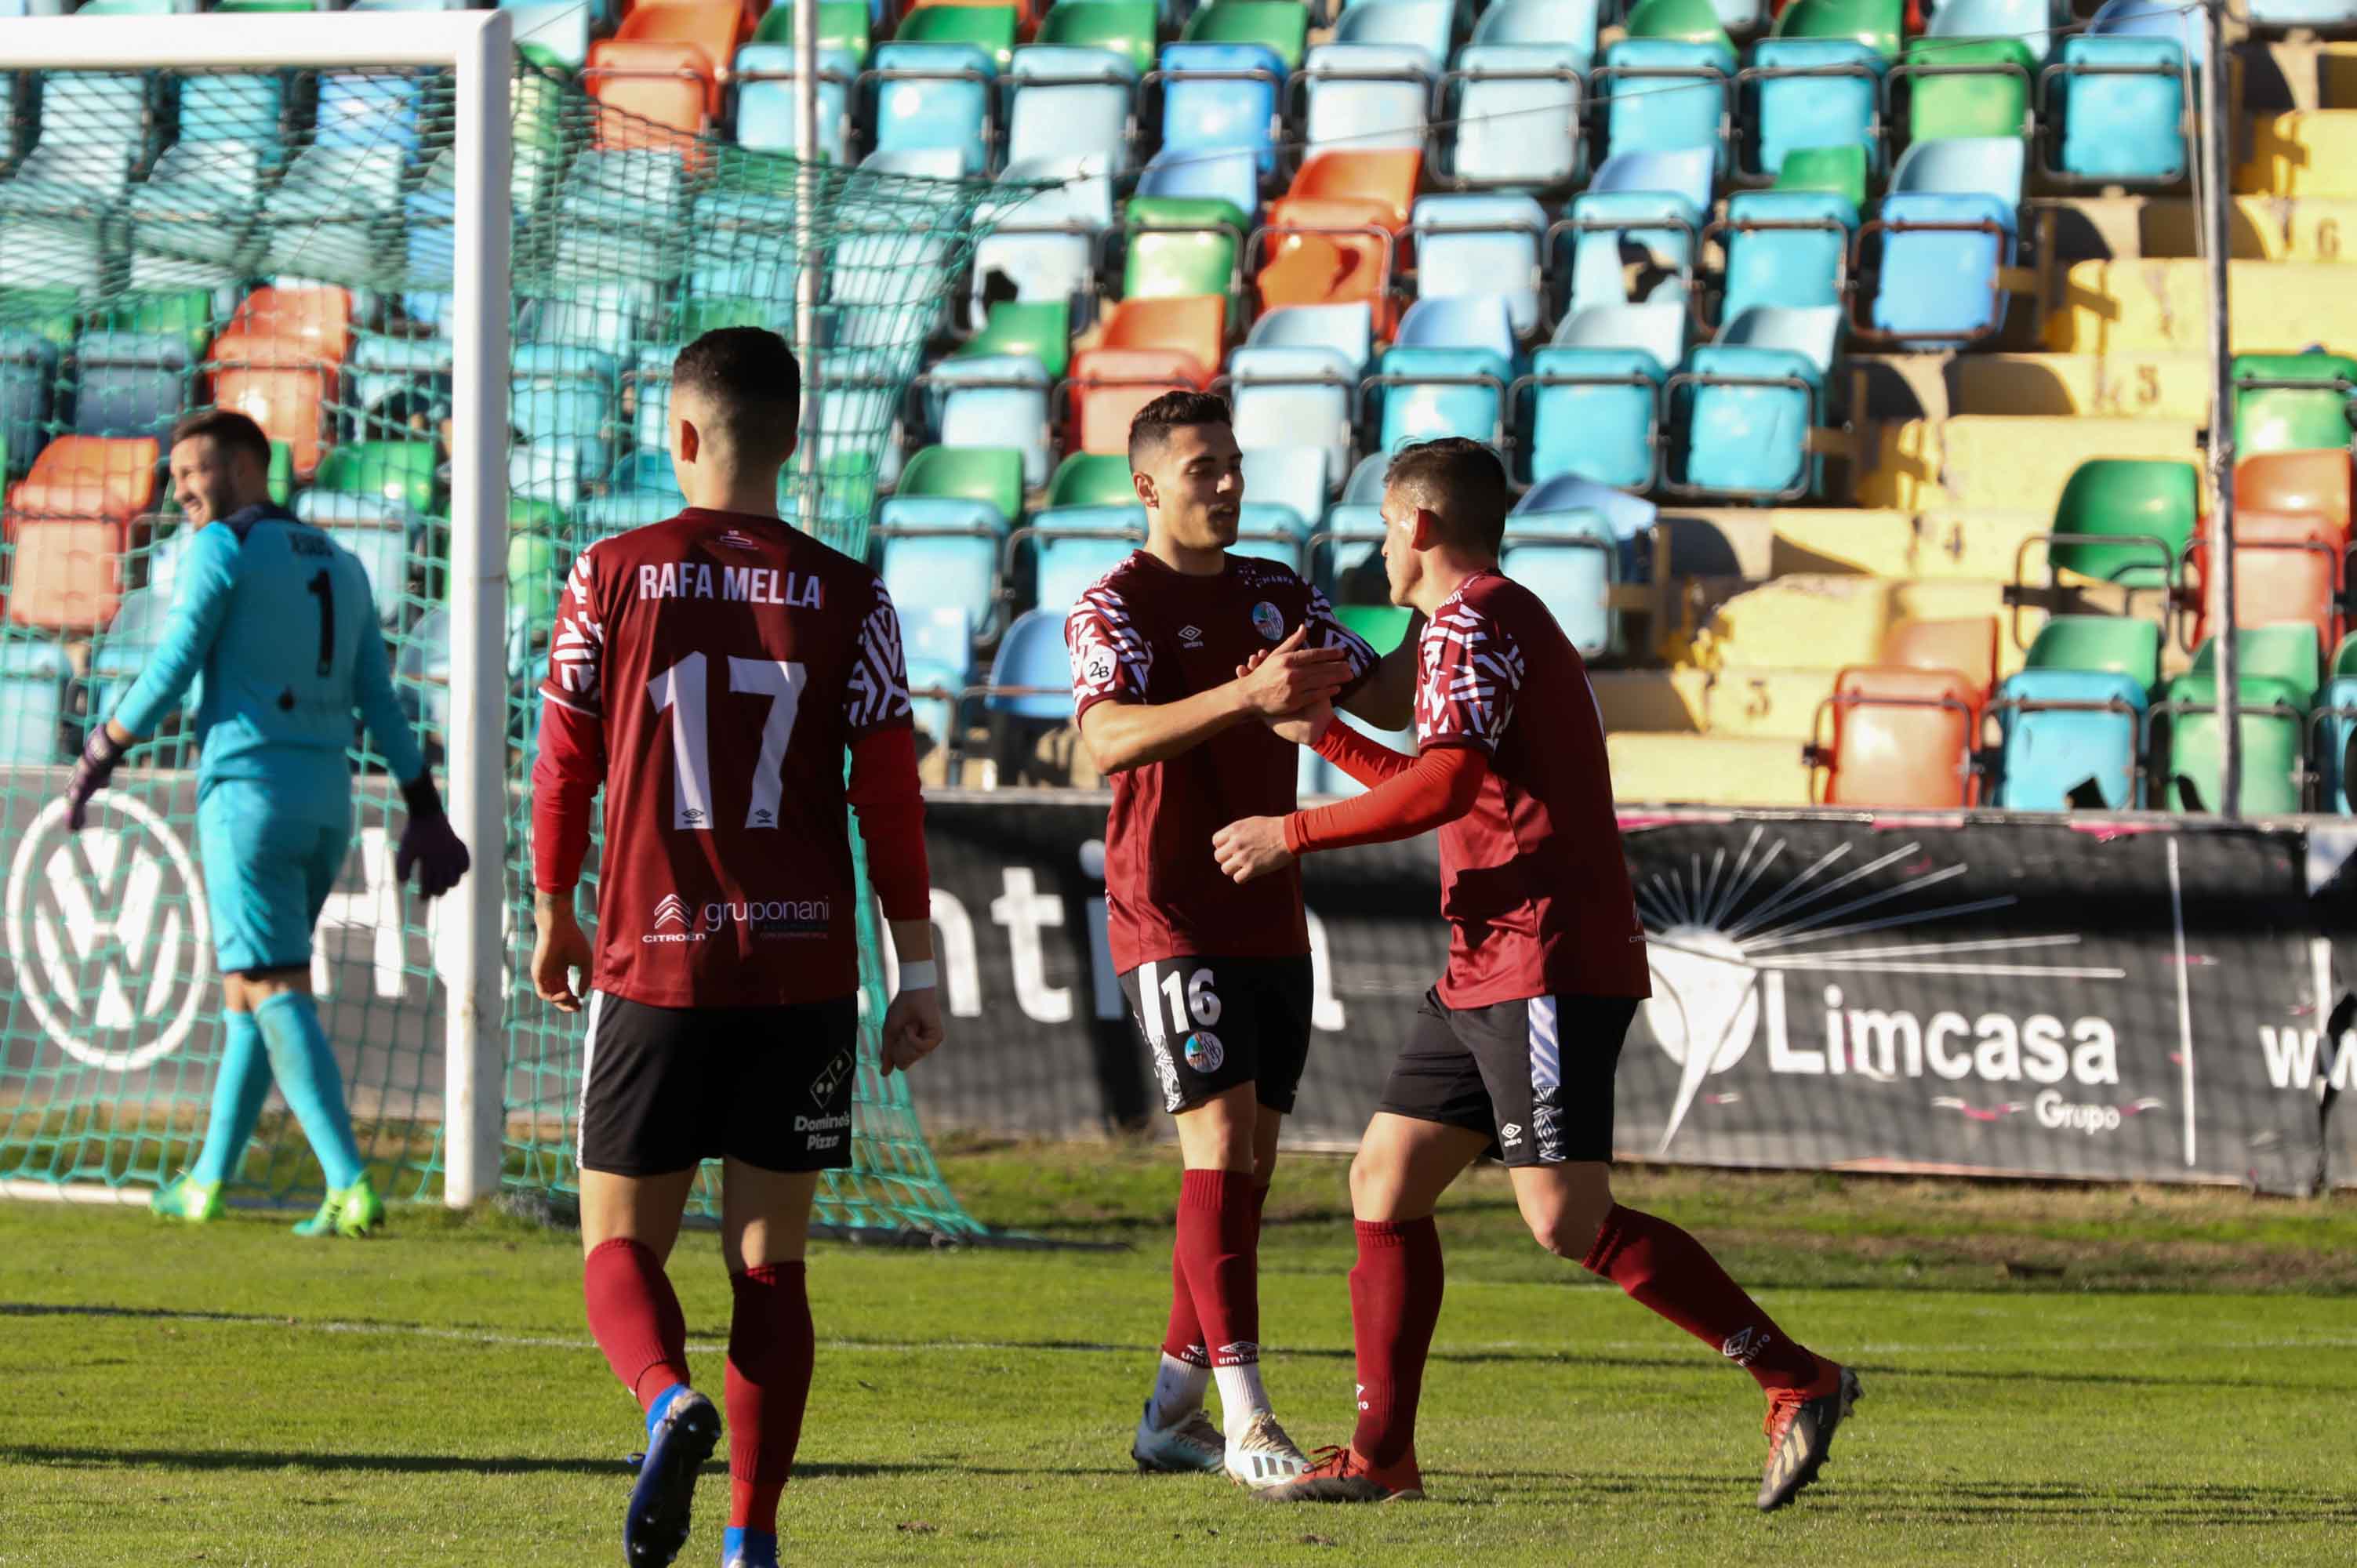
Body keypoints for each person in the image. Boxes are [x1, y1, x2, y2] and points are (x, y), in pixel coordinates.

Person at [1211, 437, 1859, 1512]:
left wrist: (1292, 830)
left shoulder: (1477, 618)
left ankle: (1796, 1376)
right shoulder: (1476, 624)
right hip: (1488, 963)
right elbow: (1448, 783)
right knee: (1382, 1182)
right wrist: (1321, 732)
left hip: (1543, 956)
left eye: (1381, 524)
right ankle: (1382, 1457)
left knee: (1562, 1217)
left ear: (1418, 526)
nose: (1378, 545)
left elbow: (1441, 787)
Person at [529, 327, 945, 1568]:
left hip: (654, 961)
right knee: (772, 1267)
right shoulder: (851, 594)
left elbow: (563, 764)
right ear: (794, 436)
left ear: (680, 435)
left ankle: (666, 1399)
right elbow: (890, 799)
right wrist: (915, 972)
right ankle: (750, 1541)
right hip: (807, 969)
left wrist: (553, 906)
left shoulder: (606, 571)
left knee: (619, 1247)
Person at [1064, 390, 1421, 1488]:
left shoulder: (1280, 592)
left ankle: (1171, 1408)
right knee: (1217, 1150)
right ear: (1146, 488)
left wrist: (1443, 612)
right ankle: (1247, 1416)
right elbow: (1105, 742)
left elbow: (1389, 694)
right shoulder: (1110, 604)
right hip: (1167, 911)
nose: (1224, 483)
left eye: (1230, 464)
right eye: (1200, 469)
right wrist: (1243, 694)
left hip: (1269, 905)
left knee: (1249, 1167)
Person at [67, 408, 470, 1239]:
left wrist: (103, 747)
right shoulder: (347, 563)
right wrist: (422, 802)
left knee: (274, 984)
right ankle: (208, 1178)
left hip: (246, 794)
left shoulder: (223, 547)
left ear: (246, 468)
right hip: (327, 801)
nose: (179, 487)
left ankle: (348, 1180)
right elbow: (381, 700)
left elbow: (178, 657)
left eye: (193, 470)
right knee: (247, 989)